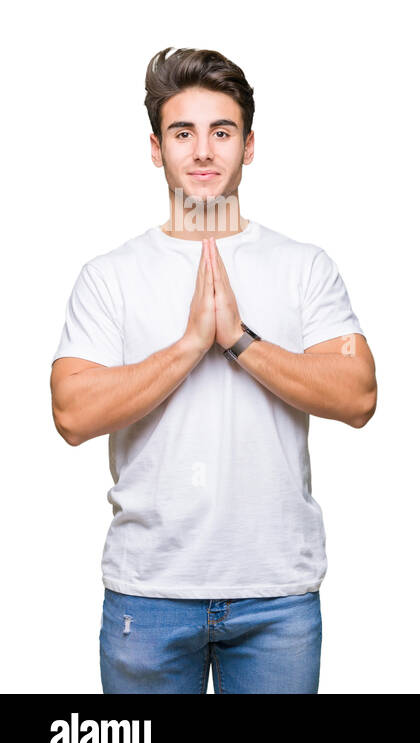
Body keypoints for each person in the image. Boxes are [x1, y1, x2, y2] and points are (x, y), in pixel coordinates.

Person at [50, 47, 376, 693]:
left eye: (221, 132)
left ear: (249, 145)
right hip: (148, 593)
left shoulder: (302, 266)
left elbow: (357, 394)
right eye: (183, 132)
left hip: (275, 596)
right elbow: (72, 413)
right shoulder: (110, 275)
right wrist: (189, 344)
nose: (203, 150)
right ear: (155, 147)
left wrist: (239, 340)